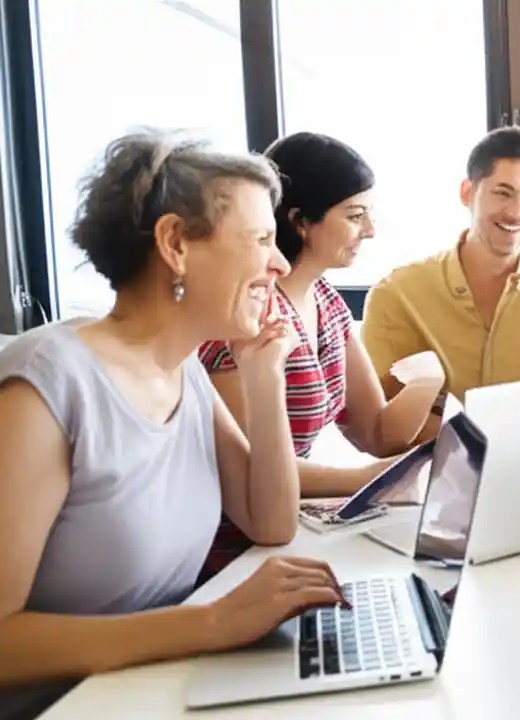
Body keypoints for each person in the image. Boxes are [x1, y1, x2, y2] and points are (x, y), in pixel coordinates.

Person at [0, 131, 345, 719]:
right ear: (175, 243)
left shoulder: (186, 369)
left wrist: (263, 380)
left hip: (151, 691)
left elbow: (271, 522)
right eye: (262, 239)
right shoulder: (47, 387)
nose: (281, 263)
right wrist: (210, 622)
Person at [197, 132, 444, 580]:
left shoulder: (327, 303)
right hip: (234, 549)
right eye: (354, 216)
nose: (369, 230)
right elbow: (251, 466)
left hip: (291, 528)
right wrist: (369, 479)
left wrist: (428, 381)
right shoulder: (249, 320)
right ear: (300, 221)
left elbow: (378, 433)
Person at [361, 126, 520, 403]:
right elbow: (384, 417)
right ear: (467, 193)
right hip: (434, 448)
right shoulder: (397, 294)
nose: (517, 212)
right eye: (503, 193)